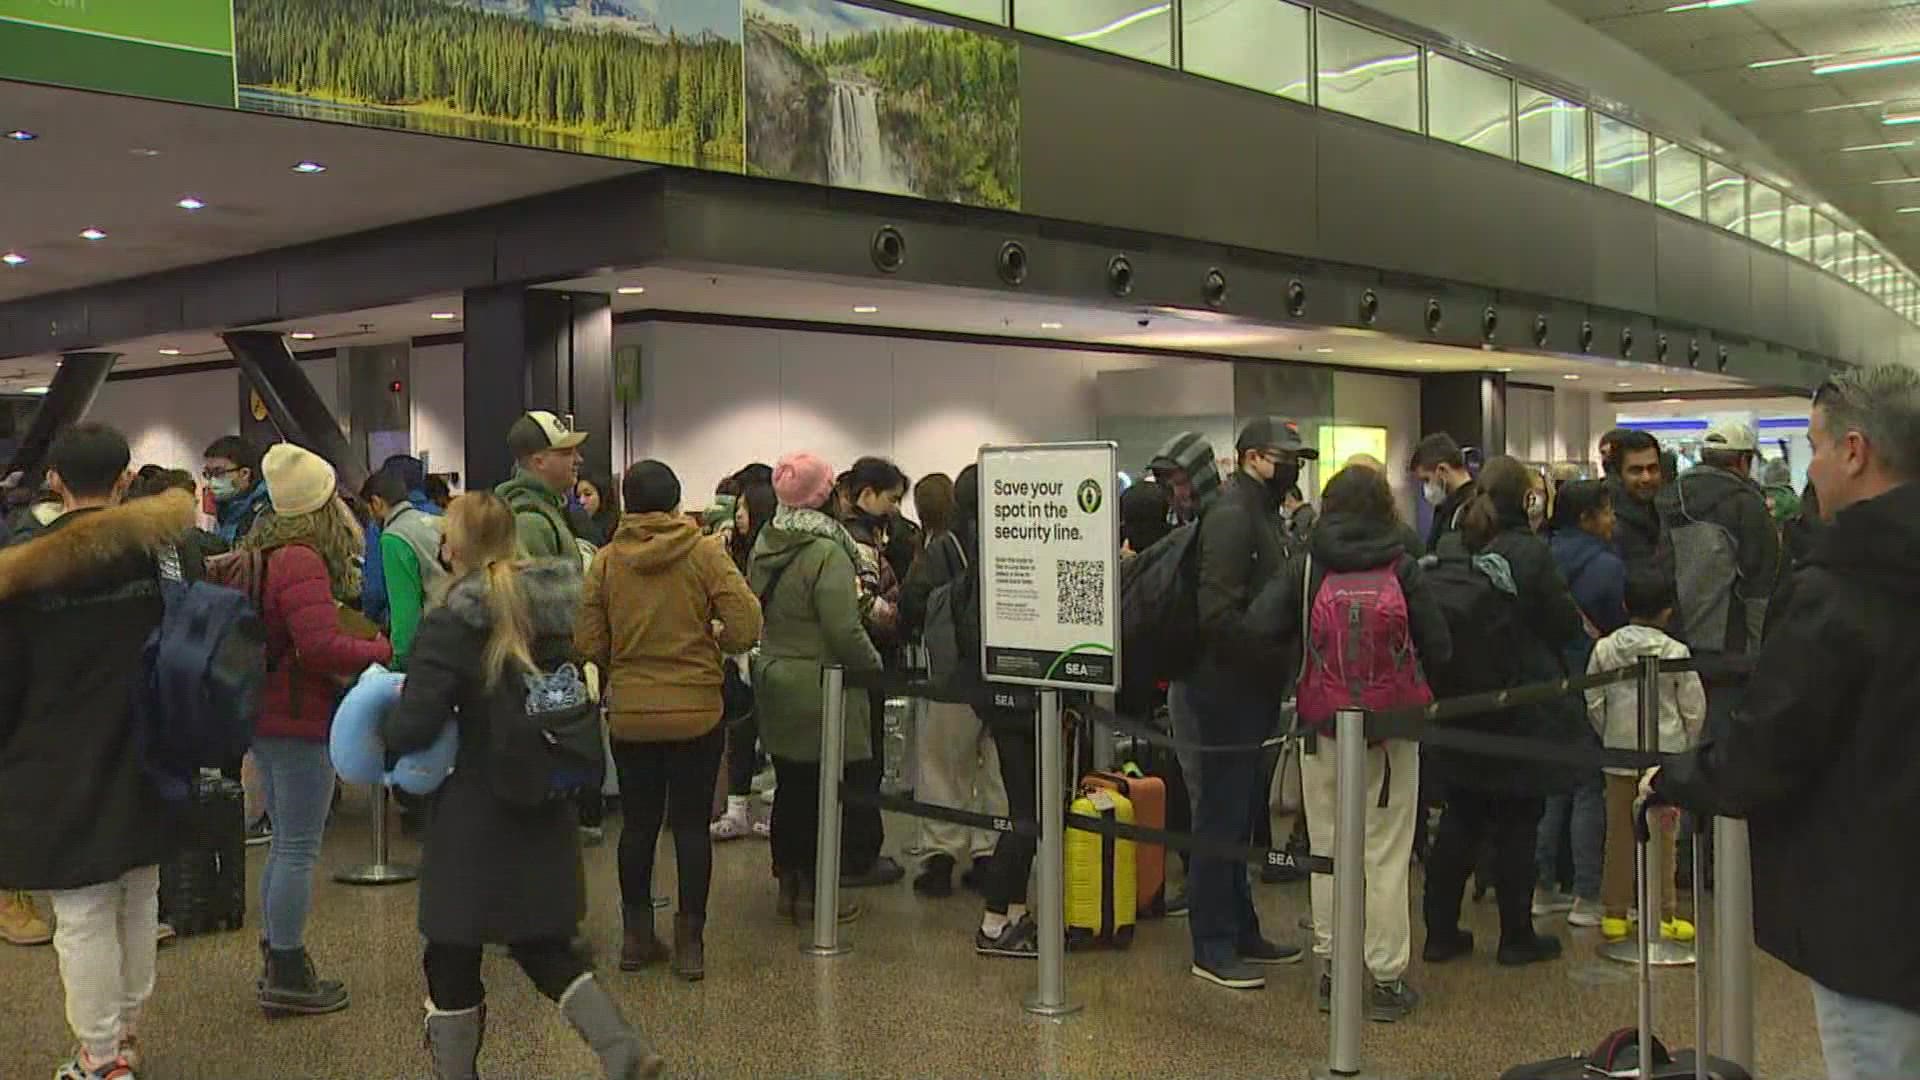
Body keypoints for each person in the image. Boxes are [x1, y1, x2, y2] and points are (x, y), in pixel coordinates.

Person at [1645, 367, 1920, 1078]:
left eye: (1817, 447)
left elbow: (1770, 748)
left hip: (1873, 912)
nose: (1814, 467)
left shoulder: (1840, 590)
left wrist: (1680, 776)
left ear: (1855, 452)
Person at [381, 492, 664, 1080]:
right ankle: (622, 1050)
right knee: (542, 945)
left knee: (452, 947)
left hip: (472, 814)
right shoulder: (549, 611)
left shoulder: (453, 623)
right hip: (543, 798)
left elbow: (415, 725)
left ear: (451, 548)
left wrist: (376, 726)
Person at [0, 424, 186, 1080]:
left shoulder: (23, 571)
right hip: (151, 743)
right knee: (140, 890)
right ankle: (127, 1032)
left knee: (80, 910)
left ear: (53, 480)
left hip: (58, 755)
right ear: (125, 478)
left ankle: (100, 1056)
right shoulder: (160, 552)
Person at [1248, 463, 1450, 1022]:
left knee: (1330, 850)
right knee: (1386, 852)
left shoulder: (1309, 563)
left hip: (1323, 728)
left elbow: (1258, 627)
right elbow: (1441, 644)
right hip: (1391, 733)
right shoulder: (1403, 562)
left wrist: (1305, 667)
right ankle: (1386, 980)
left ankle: (1334, 972)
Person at [577, 460, 762, 982]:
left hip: (631, 714)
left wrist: (620, 659)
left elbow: (588, 641)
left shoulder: (607, 561)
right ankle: (690, 944)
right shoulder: (704, 554)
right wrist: (716, 641)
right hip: (697, 711)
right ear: (679, 500)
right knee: (689, 828)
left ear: (626, 503)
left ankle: (636, 939)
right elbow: (747, 622)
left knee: (636, 826)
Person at [243, 443, 394, 1017]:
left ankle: (278, 956)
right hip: (298, 716)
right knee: (298, 846)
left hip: (268, 712)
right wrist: (382, 649)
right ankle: (286, 965)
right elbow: (320, 646)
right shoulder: (301, 559)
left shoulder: (262, 551)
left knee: (285, 842)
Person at [1422, 455, 1585, 968]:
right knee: (1518, 819)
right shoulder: (1531, 553)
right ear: (1528, 500)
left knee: (1461, 819)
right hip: (1519, 703)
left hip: (1461, 703)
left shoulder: (1451, 544)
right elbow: (1562, 624)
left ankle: (1440, 932)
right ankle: (1516, 935)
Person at [1185, 418, 1312, 990]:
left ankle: (1239, 927)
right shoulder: (1235, 515)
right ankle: (1211, 942)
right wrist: (1268, 650)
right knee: (1221, 812)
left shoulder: (1258, 511)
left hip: (1251, 686)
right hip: (1227, 686)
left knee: (1238, 815)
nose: (1294, 466)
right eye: (1286, 457)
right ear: (1253, 457)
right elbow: (1218, 614)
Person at [749, 452, 882, 924]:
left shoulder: (768, 540)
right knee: (823, 793)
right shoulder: (827, 552)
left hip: (775, 676)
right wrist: (874, 665)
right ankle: (814, 895)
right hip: (818, 683)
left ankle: (789, 884)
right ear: (825, 498)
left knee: (791, 787)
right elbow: (843, 629)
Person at [900, 471, 1007, 898]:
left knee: (943, 767)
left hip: (953, 676)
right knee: (1000, 770)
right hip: (1008, 674)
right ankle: (993, 854)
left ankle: (941, 856)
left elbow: (913, 602)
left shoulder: (946, 546)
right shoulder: (1020, 539)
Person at [1586, 571, 1703, 945]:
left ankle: (1615, 913)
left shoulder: (1605, 649)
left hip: (1618, 751)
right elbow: (1693, 707)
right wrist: (1687, 744)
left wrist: (1608, 733)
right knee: (1665, 834)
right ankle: (1663, 911)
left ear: (1625, 605)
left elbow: (1594, 700)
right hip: (1665, 756)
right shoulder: (1676, 652)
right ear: (1668, 611)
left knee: (1618, 833)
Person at [1533, 479, 1625, 928]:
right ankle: (1587, 895)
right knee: (1589, 787)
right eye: (1606, 512)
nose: (1612, 520)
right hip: (1590, 678)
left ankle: (1543, 885)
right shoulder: (1607, 566)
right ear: (1587, 518)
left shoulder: (1540, 554)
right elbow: (1617, 624)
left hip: (1544, 683)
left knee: (1551, 786)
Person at [835, 456, 911, 888]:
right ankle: (861, 855)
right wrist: (896, 617)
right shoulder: (860, 539)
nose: (895, 508)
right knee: (866, 760)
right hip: (865, 663)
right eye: (891, 498)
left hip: (849, 666)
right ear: (867, 495)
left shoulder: (855, 532)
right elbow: (864, 602)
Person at [1656, 420, 1780, 658]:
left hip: (1672, 640)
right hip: (1730, 645)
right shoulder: (1747, 505)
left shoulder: (1668, 497)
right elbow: (1760, 583)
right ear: (1744, 461)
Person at [713, 480, 779, 842]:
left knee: (776, 732)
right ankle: (736, 807)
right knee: (740, 730)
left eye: (744, 508)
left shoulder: (773, 552)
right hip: (737, 655)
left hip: (770, 653)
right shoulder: (729, 549)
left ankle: (778, 812)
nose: (738, 516)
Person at [363, 465, 447, 670]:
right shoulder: (438, 521)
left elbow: (406, 613)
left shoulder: (394, 537)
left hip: (431, 647)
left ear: (376, 502)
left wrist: (396, 664)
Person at [496, 411, 587, 561]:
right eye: (567, 452)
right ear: (539, 461)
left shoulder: (547, 507)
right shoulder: (530, 521)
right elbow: (543, 584)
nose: (578, 459)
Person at [1605, 429, 1666, 576]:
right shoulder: (1606, 522)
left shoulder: (1663, 511)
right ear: (1619, 474)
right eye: (1636, 470)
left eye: (1653, 469)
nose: (1647, 478)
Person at [1410, 433, 1476, 553]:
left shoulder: (1468, 510)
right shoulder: (1446, 507)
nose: (1425, 488)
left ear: (1442, 470)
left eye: (1426, 480)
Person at [203, 435, 269, 546]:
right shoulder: (225, 508)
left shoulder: (265, 512)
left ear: (244, 474)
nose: (212, 481)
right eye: (208, 474)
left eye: (219, 472)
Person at [1149, 431, 1221, 527]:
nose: (1176, 494)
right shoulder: (1169, 522)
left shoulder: (1230, 521)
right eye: (1167, 486)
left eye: (1181, 482)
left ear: (1201, 478)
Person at [573, 471, 622, 548]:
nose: (581, 501)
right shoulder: (575, 526)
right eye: (578, 496)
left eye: (588, 494)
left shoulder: (620, 527)